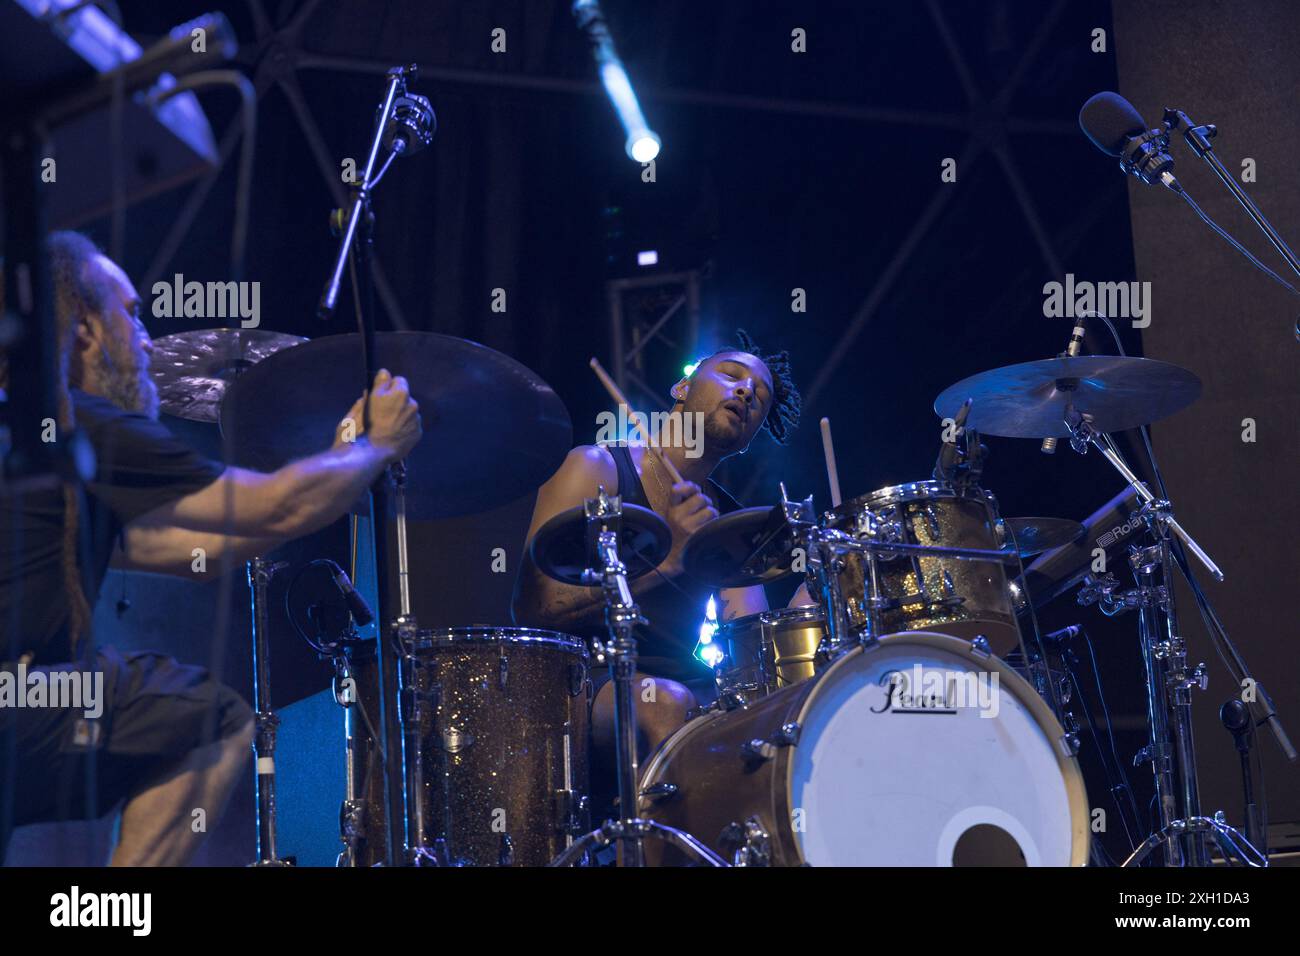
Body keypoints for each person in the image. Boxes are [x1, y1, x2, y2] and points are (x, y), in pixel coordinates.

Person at [0, 231, 422, 865]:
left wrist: (339, 461)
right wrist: (378, 446)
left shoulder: (34, 442)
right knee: (212, 720)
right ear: (83, 329)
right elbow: (275, 504)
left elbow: (207, 544)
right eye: (132, 313)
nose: (145, 340)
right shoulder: (84, 424)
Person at [511, 331, 801, 771]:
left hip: (690, 685)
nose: (746, 391)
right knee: (667, 704)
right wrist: (671, 561)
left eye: (759, 396)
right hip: (583, 678)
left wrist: (802, 618)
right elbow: (535, 608)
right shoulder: (596, 468)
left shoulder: (725, 520)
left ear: (749, 438)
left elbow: (751, 642)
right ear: (681, 388)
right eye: (731, 375)